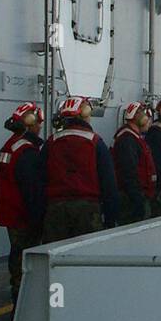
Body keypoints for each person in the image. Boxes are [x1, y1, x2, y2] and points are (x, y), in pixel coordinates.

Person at [38, 96, 117, 242]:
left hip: (56, 210)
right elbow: (108, 182)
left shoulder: (51, 143)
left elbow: (40, 179)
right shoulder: (95, 142)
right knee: (86, 256)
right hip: (88, 210)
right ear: (84, 114)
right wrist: (110, 217)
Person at [0, 102, 45, 307]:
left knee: (16, 257)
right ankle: (24, 305)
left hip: (10, 214)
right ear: (30, 123)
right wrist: (38, 218)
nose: (40, 127)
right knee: (25, 261)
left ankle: (18, 300)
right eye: (38, 122)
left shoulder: (9, 147)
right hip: (23, 216)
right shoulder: (27, 151)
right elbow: (32, 189)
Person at [112, 102, 157, 223]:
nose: (148, 120)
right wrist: (138, 199)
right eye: (145, 115)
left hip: (138, 195)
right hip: (133, 199)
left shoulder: (132, 138)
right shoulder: (128, 140)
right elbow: (129, 172)